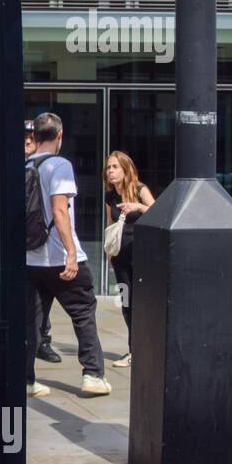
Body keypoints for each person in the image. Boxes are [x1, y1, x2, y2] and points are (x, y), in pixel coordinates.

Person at [25, 112, 110, 398]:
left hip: (30, 259)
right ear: (59, 136)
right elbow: (60, 210)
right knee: (84, 313)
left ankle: (27, 380)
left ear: (34, 136)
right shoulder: (59, 165)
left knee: (32, 322)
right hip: (59, 257)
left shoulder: (24, 165)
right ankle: (93, 375)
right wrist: (72, 253)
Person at [104, 150, 155, 368]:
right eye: (108, 167)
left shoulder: (140, 190)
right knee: (126, 303)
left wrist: (138, 207)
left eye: (115, 167)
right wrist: (108, 253)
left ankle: (146, 348)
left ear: (126, 169)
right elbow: (110, 224)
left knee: (142, 302)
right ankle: (134, 350)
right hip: (120, 258)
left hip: (141, 255)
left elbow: (159, 212)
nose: (110, 171)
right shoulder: (110, 196)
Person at [25, 121, 59, 365]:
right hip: (23, 247)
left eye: (30, 138)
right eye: (24, 138)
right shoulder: (15, 168)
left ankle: (42, 342)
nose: (27, 142)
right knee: (30, 303)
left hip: (45, 245)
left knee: (42, 301)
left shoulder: (47, 167)